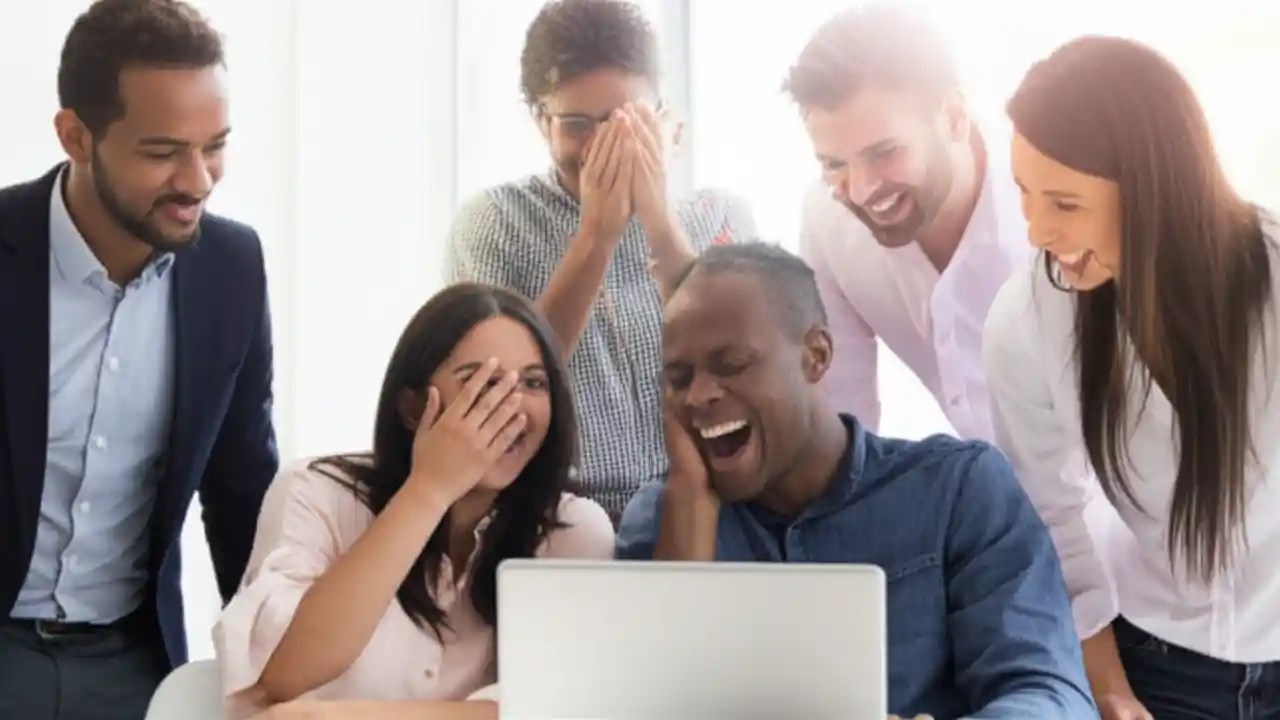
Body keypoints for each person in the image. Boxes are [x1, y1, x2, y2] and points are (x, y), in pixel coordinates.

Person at [617, 243, 1097, 719]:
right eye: (678, 378)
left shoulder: (958, 490)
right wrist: (687, 532)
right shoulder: (665, 517)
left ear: (817, 356)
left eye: (731, 365)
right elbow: (634, 704)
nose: (699, 395)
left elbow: (1049, 692)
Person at [985, 36, 1280, 719]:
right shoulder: (1029, 318)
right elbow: (1049, 518)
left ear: (1157, 190)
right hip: (1151, 658)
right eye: (1023, 195)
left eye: (1064, 204)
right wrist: (1109, 690)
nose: (1034, 231)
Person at [0, 1, 278, 717]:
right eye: (162, 152)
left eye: (214, 144)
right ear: (76, 136)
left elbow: (241, 483)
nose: (199, 181)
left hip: (133, 659)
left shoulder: (232, 267)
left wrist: (269, 673)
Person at [215, 284, 615, 719]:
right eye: (481, 381)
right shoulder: (316, 492)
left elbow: (557, 707)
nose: (510, 406)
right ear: (412, 409)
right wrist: (430, 490)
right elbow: (282, 675)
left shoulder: (573, 531)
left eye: (533, 383)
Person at [447, 0, 757, 520]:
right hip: (558, 514)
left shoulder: (717, 215)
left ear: (662, 114)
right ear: (540, 120)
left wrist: (656, 214)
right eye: (577, 124)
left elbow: (742, 367)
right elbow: (497, 392)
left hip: (708, 504)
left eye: (623, 120)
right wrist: (596, 236)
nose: (600, 147)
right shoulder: (495, 221)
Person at [784, 5, 1029, 441]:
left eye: (884, 152)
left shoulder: (1047, 204)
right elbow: (841, 425)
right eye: (833, 163)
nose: (858, 191)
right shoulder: (828, 219)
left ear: (954, 116)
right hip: (982, 502)